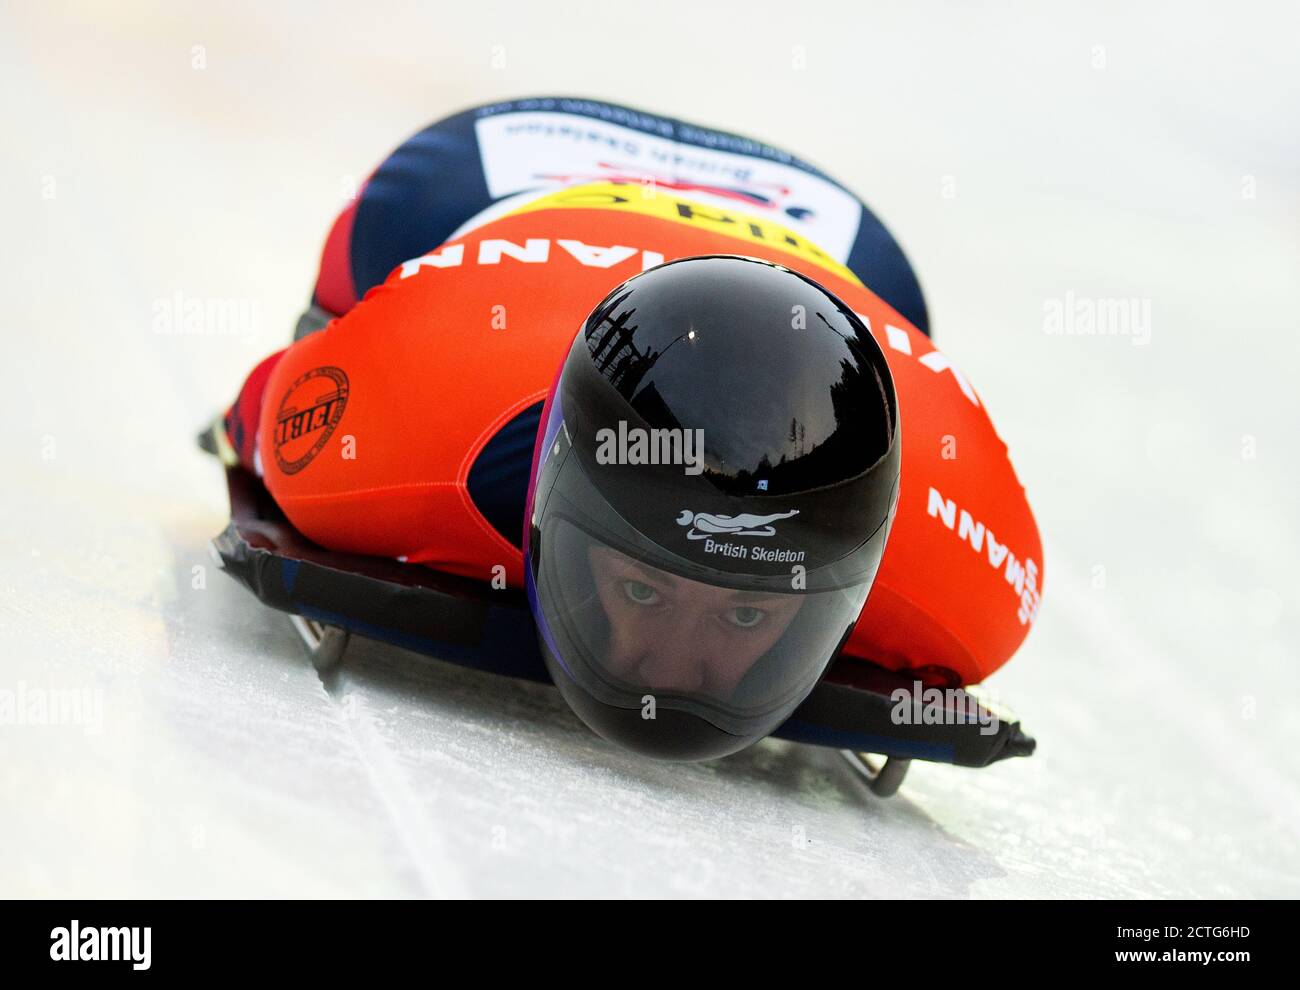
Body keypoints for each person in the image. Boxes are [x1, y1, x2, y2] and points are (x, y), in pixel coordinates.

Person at [212, 100, 1043, 760]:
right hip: (469, 188)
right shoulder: (403, 419)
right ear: (549, 495)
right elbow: (263, 408)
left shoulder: (975, 571)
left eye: (746, 616)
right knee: (355, 271)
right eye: (643, 590)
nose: (673, 671)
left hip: (822, 251)